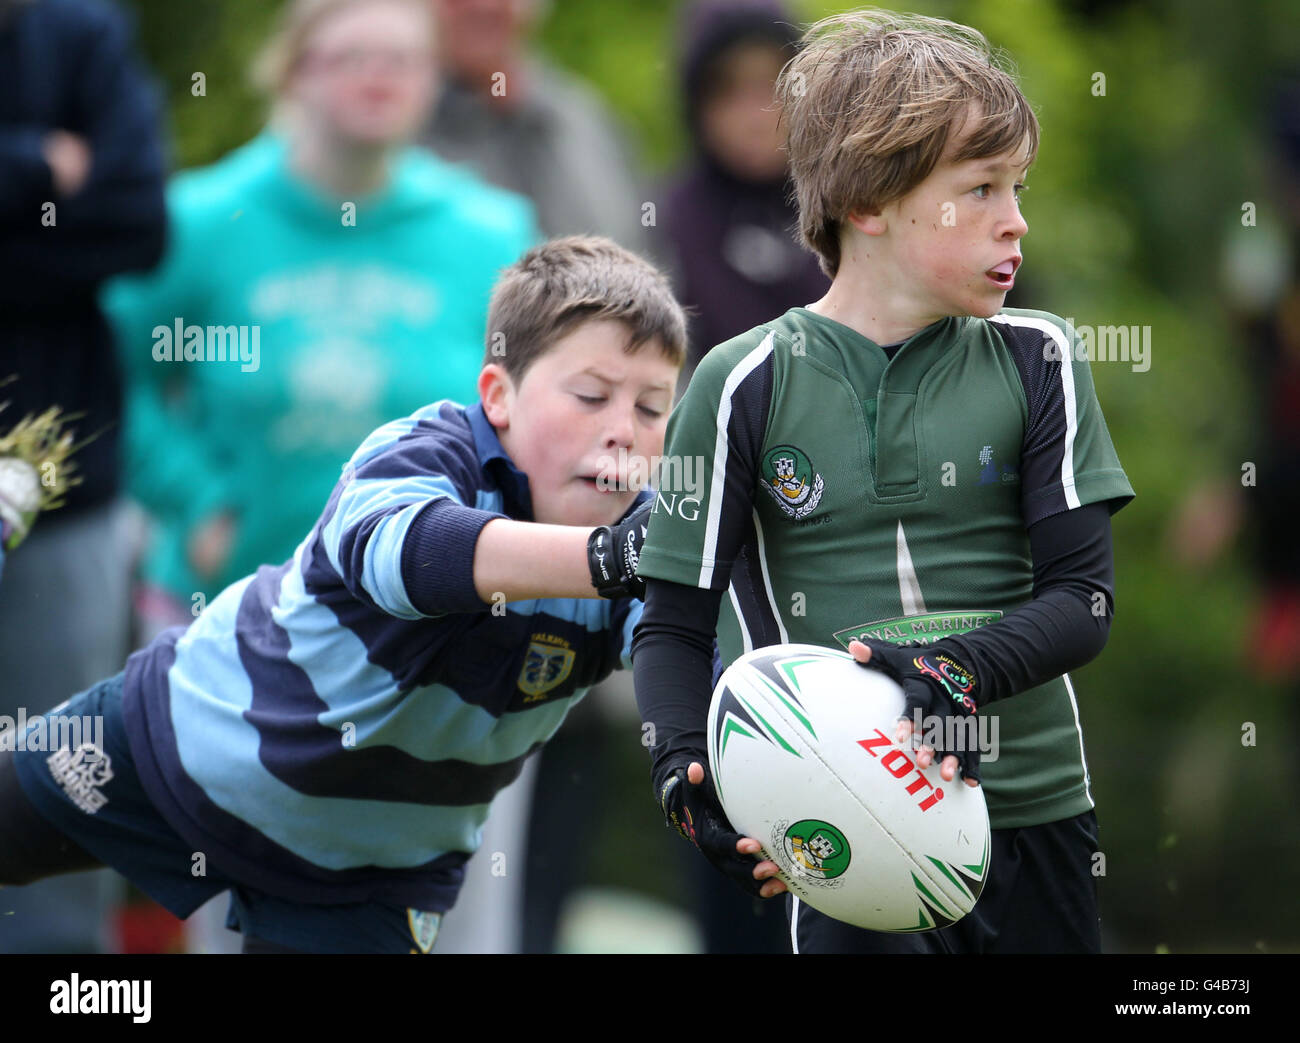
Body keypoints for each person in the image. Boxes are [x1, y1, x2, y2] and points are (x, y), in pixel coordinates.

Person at [0, 235, 686, 954]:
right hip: (175, 740)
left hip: (367, 881)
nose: (623, 433)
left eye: (652, 407)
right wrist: (611, 559)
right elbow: (418, 556)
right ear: (499, 396)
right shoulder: (425, 452)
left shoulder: (644, 546)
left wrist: (707, 778)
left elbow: (679, 645)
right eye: (591, 395)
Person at [632, 9, 1135, 955]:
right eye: (981, 188)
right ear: (869, 202)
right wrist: (681, 768)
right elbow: (673, 620)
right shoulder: (743, 380)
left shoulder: (1041, 357)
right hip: (845, 831)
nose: (1016, 219)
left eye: (1018, 187)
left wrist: (959, 669)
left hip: (1034, 815)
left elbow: (1085, 601)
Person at [102, 0, 538, 641]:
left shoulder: (492, 233)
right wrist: (195, 500)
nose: (377, 77)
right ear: (293, 73)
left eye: (402, 60)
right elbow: (109, 370)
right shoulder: (203, 218)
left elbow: (536, 399)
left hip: (427, 616)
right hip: (225, 614)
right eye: (350, 58)